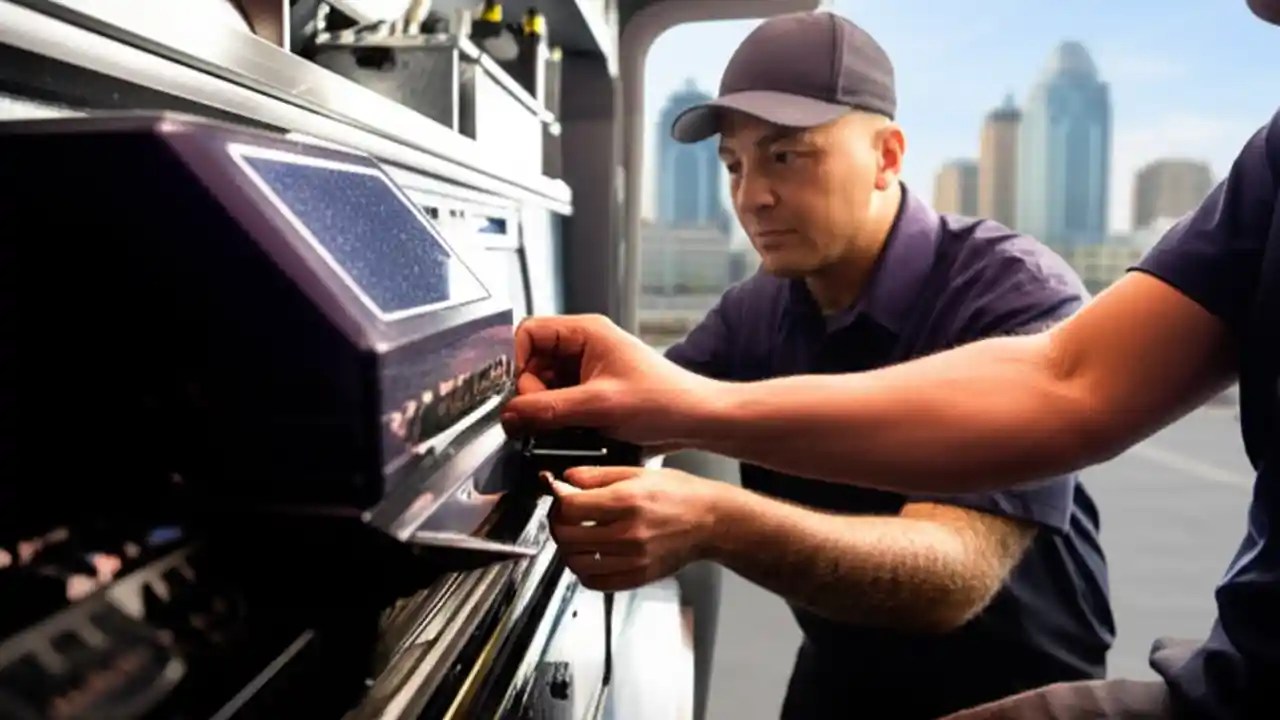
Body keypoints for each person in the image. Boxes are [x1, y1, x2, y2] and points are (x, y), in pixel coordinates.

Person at [504, 1, 1280, 717]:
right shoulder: (759, 309)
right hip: (841, 656)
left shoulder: (1009, 290)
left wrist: (716, 520)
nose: (752, 197)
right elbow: (638, 411)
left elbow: (951, 578)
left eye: (786, 156)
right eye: (735, 166)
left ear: (887, 155)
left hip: (1007, 672)